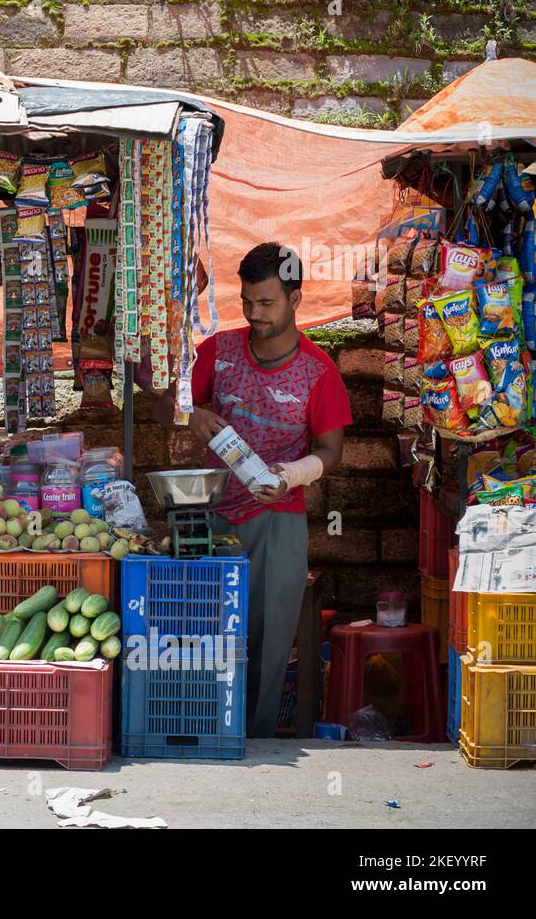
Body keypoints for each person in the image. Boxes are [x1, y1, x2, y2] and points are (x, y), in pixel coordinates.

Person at [152, 242, 352, 738]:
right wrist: (188, 414)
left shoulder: (319, 372)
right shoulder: (218, 351)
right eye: (246, 301)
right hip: (212, 514)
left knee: (267, 635)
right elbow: (162, 403)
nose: (254, 313)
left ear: (295, 299)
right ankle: (200, 728)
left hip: (279, 518)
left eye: (266, 303)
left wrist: (291, 474)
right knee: (203, 629)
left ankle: (257, 736)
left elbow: (331, 451)